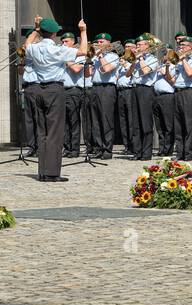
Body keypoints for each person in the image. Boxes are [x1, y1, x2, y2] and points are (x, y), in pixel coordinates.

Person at [24, 16, 84, 182]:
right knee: (55, 133)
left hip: (39, 89)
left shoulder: (35, 48)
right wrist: (83, 32)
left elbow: (27, 44)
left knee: (42, 132)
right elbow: (83, 51)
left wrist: (36, 29)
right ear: (54, 33)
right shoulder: (57, 49)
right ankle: (52, 173)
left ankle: (42, 172)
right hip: (55, 90)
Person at [89, 33, 120, 159]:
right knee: (95, 120)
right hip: (95, 87)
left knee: (106, 119)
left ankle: (107, 149)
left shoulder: (113, 56)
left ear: (108, 42)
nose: (98, 44)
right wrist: (88, 60)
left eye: (101, 42)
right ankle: (98, 148)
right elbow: (87, 74)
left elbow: (107, 69)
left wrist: (100, 55)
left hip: (107, 88)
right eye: (97, 42)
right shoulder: (94, 57)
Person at [130, 33, 159, 162]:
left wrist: (141, 59)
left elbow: (146, 71)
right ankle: (137, 151)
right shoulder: (135, 58)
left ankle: (146, 152)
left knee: (145, 122)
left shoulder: (152, 59)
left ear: (147, 46)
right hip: (135, 89)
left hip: (146, 90)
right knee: (135, 122)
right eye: (137, 44)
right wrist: (132, 61)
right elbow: (127, 74)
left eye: (140, 44)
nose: (137, 46)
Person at [58, 31, 87, 159]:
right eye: (62, 42)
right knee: (63, 121)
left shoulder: (78, 55)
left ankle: (74, 149)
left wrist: (65, 59)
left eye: (66, 42)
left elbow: (76, 69)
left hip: (74, 90)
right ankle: (67, 147)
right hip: (61, 89)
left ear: (73, 42)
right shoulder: (61, 54)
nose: (64, 44)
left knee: (73, 120)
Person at [153, 44, 177, 157]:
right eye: (163, 53)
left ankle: (168, 149)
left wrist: (165, 70)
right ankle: (162, 148)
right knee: (159, 125)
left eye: (166, 52)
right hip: (157, 96)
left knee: (168, 124)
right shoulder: (159, 65)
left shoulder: (174, 66)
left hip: (168, 96)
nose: (164, 55)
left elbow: (173, 81)